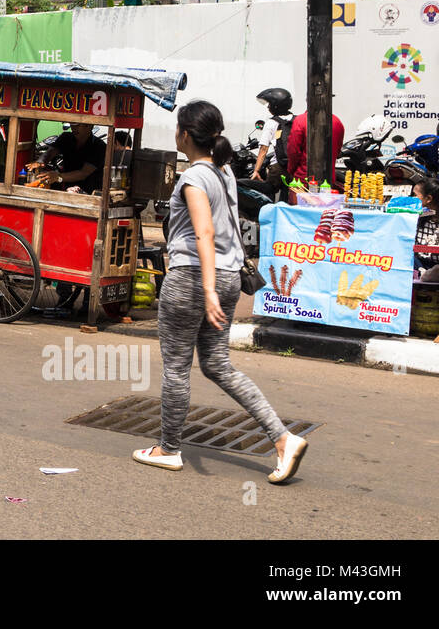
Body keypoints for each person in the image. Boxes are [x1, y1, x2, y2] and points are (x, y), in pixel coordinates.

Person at [132, 99, 308, 484]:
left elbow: (204, 233)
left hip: (194, 279)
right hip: (229, 278)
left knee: (177, 368)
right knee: (217, 365)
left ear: (183, 134)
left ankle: (168, 448)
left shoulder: (194, 178)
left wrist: (207, 290)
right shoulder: (224, 171)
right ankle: (283, 438)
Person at [250, 87, 293, 195]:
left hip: (278, 167)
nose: (268, 106)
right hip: (294, 167)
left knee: (267, 192)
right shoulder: (296, 119)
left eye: (269, 104)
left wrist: (256, 171)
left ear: (275, 106)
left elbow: (264, 149)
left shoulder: (271, 123)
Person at [45, 123, 108, 193]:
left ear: (89, 126)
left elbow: (83, 173)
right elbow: (50, 152)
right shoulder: (66, 137)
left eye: (77, 125)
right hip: (67, 188)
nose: (74, 128)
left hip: (89, 192)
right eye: (72, 124)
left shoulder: (99, 146)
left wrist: (57, 177)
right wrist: (40, 162)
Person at [285, 111, 344, 184]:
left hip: (304, 178)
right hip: (328, 179)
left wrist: (291, 170)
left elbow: (293, 152)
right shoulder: (336, 121)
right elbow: (338, 150)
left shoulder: (300, 120)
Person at [413, 178, 439, 280]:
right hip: (420, 263)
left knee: (435, 279)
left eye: (415, 196)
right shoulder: (414, 214)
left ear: (428, 199)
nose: (412, 199)